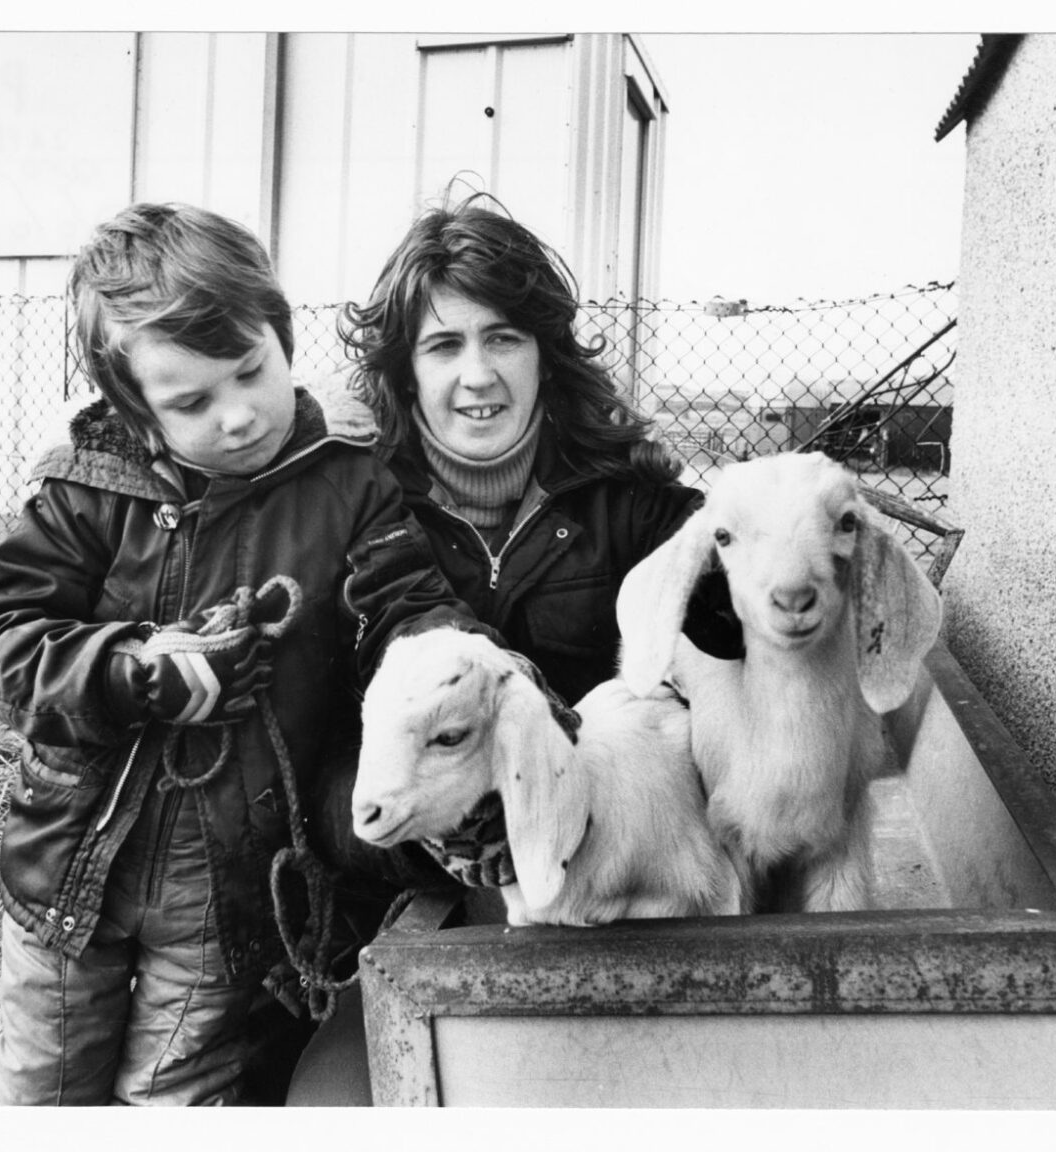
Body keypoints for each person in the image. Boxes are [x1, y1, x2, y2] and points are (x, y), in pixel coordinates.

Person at [0, 202, 490, 1106]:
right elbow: (1, 648)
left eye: (252, 371)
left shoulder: (346, 478)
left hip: (229, 879)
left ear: (282, 338)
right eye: (192, 402)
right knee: (41, 1083)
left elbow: (406, 600)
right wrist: (131, 669)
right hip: (72, 863)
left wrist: (459, 657)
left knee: (180, 1089)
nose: (241, 416)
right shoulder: (86, 489)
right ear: (134, 407)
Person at [286, 193, 741, 1104]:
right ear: (403, 370)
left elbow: (744, 658)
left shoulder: (633, 504)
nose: (478, 375)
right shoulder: (357, 514)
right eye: (443, 346)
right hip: (428, 901)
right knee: (327, 1106)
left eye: (505, 339)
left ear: (546, 354)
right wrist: (440, 839)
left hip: (621, 896)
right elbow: (326, 762)